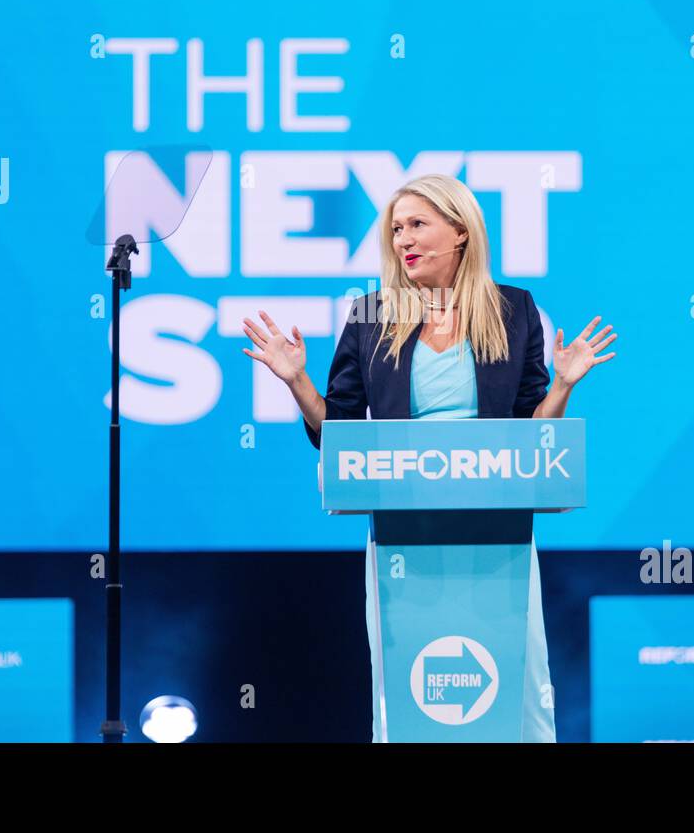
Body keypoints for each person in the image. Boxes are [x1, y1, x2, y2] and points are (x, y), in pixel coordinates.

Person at [241, 173, 615, 741]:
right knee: (404, 688)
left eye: (418, 224)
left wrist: (561, 386)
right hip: (400, 525)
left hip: (497, 524)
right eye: (395, 229)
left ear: (461, 231)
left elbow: (532, 437)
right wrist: (296, 381)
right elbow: (337, 434)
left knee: (519, 684)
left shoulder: (513, 310)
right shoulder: (371, 315)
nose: (403, 240)